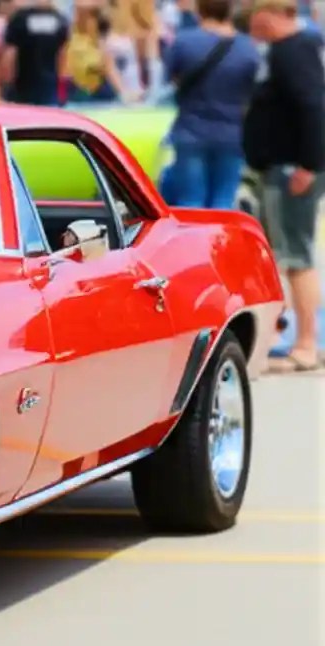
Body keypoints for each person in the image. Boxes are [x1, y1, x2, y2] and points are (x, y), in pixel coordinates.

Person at [244, 0, 325, 372]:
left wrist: (308, 163)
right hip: (283, 165)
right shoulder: (284, 50)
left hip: (293, 167)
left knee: (296, 255)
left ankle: (306, 342)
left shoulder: (294, 51)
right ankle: (287, 335)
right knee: (287, 252)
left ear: (271, 13)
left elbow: (313, 106)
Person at [164, 0, 260, 209]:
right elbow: (252, 91)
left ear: (199, 10)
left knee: (190, 201)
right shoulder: (248, 47)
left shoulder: (184, 42)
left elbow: (171, 78)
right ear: (230, 11)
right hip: (231, 133)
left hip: (190, 130)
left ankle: (192, 243)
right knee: (223, 202)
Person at [65, 0, 138, 102]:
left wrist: (124, 93)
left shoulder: (100, 42)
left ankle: (125, 94)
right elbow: (80, 6)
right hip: (77, 88)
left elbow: (110, 67)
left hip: (97, 89)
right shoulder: (77, 31)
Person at [0, 0, 69, 106]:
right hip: (49, 88)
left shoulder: (20, 18)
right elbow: (62, 57)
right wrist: (62, 88)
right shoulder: (60, 20)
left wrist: (6, 86)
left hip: (22, 89)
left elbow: (10, 55)